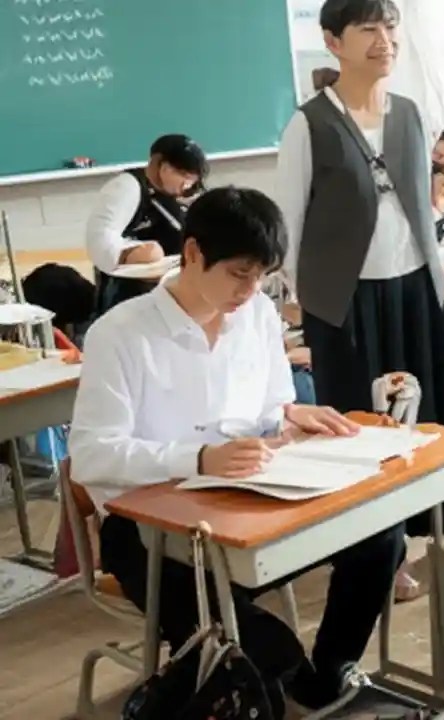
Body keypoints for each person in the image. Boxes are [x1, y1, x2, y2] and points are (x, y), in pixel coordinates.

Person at [68, 187, 405, 713]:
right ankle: (223, 683)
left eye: (262, 276)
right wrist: (197, 459)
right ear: (194, 253)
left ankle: (322, 680)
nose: (251, 290)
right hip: (150, 535)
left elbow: (273, 402)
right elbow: (92, 455)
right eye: (239, 273)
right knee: (265, 651)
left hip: (246, 506)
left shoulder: (257, 317)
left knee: (380, 538)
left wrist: (292, 416)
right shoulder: (121, 334)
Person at [275, 0, 444, 534]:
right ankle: (376, 542)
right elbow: (288, 221)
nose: (385, 39)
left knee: (425, 412)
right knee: (360, 419)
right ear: (333, 42)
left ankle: (430, 520)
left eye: (391, 26)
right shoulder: (309, 124)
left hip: (415, 288)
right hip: (345, 299)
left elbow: (423, 207)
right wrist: (303, 294)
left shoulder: (410, 113)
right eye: (368, 29)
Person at [84, 133, 208, 315]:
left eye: (192, 179)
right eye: (183, 175)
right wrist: (133, 253)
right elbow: (99, 239)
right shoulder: (126, 187)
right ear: (161, 164)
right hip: (132, 293)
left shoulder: (177, 194)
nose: (187, 185)